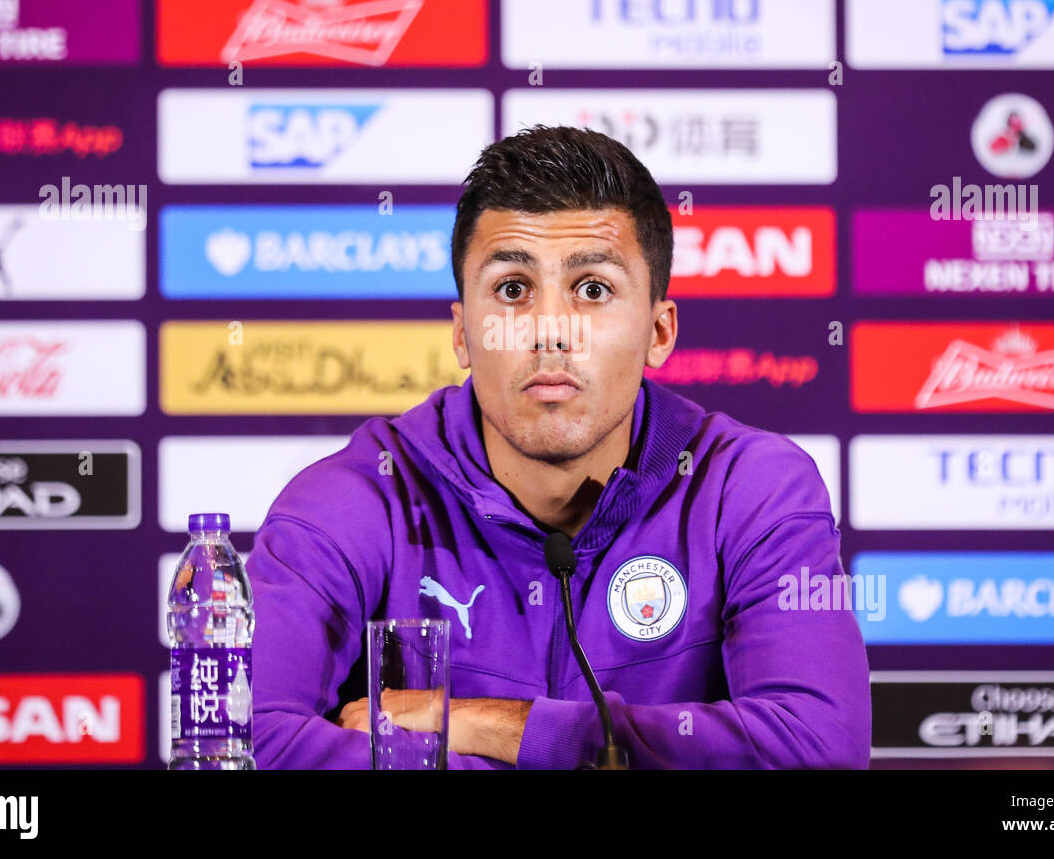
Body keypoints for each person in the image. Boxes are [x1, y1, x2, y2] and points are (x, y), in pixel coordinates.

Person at [246, 125, 871, 769]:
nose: (550, 332)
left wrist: (484, 724)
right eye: (513, 289)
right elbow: (248, 746)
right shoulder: (352, 499)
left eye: (592, 290)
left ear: (659, 331)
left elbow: (817, 749)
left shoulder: (752, 489)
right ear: (463, 334)